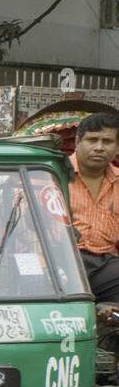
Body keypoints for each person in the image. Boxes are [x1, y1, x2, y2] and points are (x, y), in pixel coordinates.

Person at [68, 112, 119, 301]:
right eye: (92, 140)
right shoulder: (52, 174)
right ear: (77, 141)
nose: (99, 147)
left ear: (117, 147)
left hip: (105, 264)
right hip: (58, 261)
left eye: (107, 141)